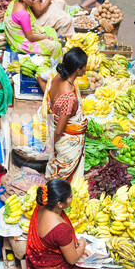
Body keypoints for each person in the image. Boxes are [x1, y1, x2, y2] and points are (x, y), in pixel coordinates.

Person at [43, 50, 91, 181]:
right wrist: (51, 143)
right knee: (65, 178)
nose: (86, 69)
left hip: (57, 134)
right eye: (84, 66)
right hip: (67, 143)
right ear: (77, 69)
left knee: (56, 167)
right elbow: (59, 130)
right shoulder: (69, 97)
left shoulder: (57, 77)